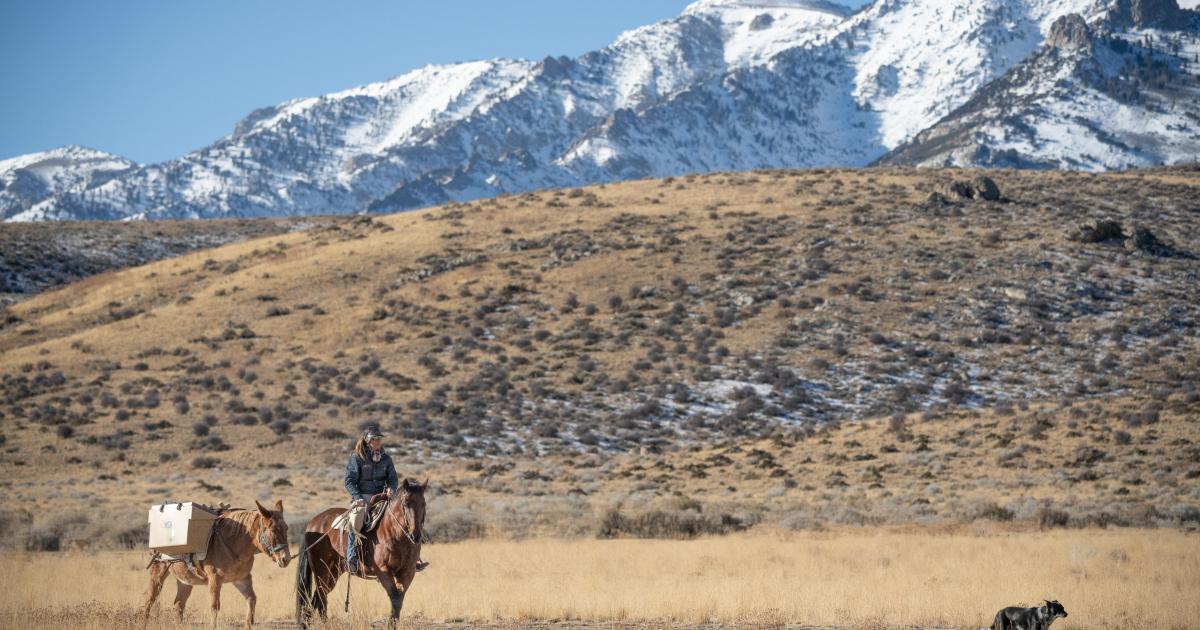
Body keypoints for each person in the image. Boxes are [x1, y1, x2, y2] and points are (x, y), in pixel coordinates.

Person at [342, 428, 426, 573]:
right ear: (368, 441)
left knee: (405, 517)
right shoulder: (357, 457)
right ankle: (352, 557)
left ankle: (412, 558)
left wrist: (391, 489)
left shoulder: (386, 458)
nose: (378, 441)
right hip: (364, 496)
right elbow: (349, 481)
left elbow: (393, 478)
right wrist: (358, 497)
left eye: (379, 439)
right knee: (355, 519)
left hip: (384, 496)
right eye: (375, 439)